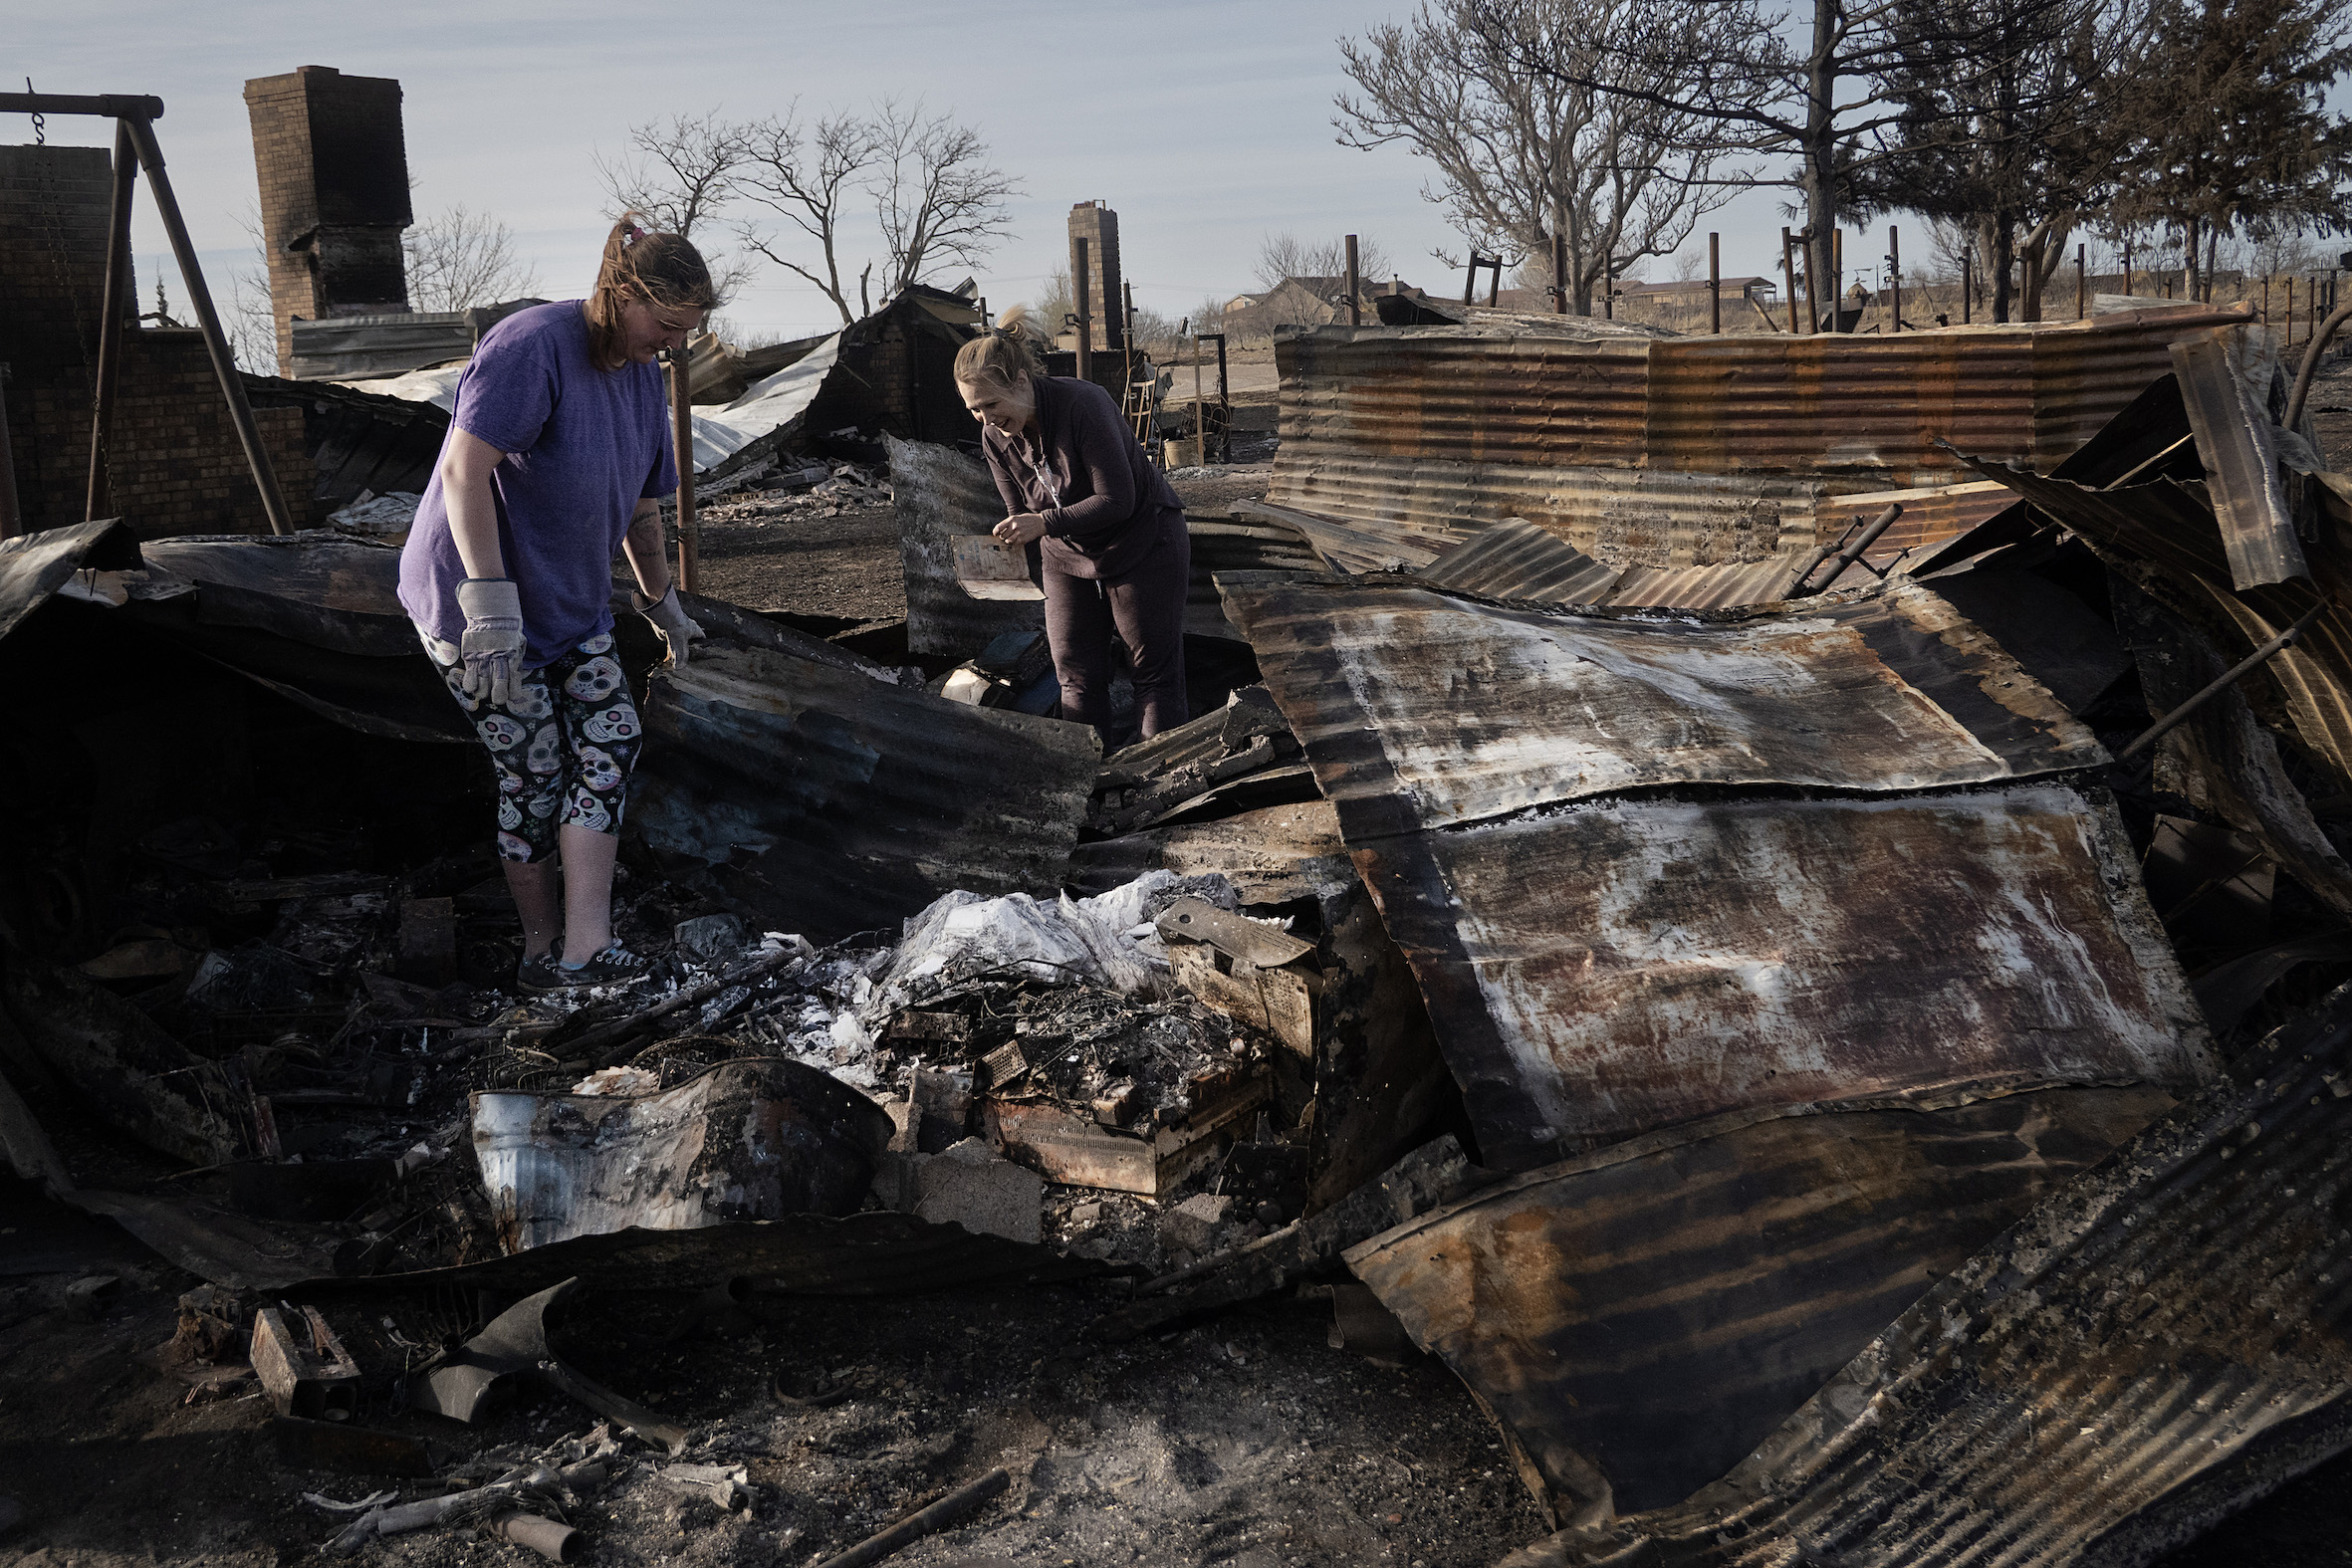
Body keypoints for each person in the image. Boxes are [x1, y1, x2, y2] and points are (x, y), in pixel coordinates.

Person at [396, 213, 715, 993]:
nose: (675, 345)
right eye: (667, 325)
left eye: (688, 331)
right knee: (534, 772)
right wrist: (489, 606)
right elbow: (463, 473)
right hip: (474, 605)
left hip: (569, 604)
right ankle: (539, 952)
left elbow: (642, 505)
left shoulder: (641, 375)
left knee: (612, 739)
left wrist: (661, 601)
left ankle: (585, 947)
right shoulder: (531, 347)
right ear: (623, 294)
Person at [957, 308, 1190, 740]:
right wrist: (1004, 548)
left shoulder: (1083, 404)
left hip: (1142, 539)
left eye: (991, 404)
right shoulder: (993, 437)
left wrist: (1042, 523)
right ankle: (1090, 771)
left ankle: (1162, 772)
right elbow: (1020, 513)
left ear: (1021, 382)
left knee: (1152, 674)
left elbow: (1117, 501)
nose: (986, 419)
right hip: (1067, 553)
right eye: (973, 409)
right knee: (1075, 674)